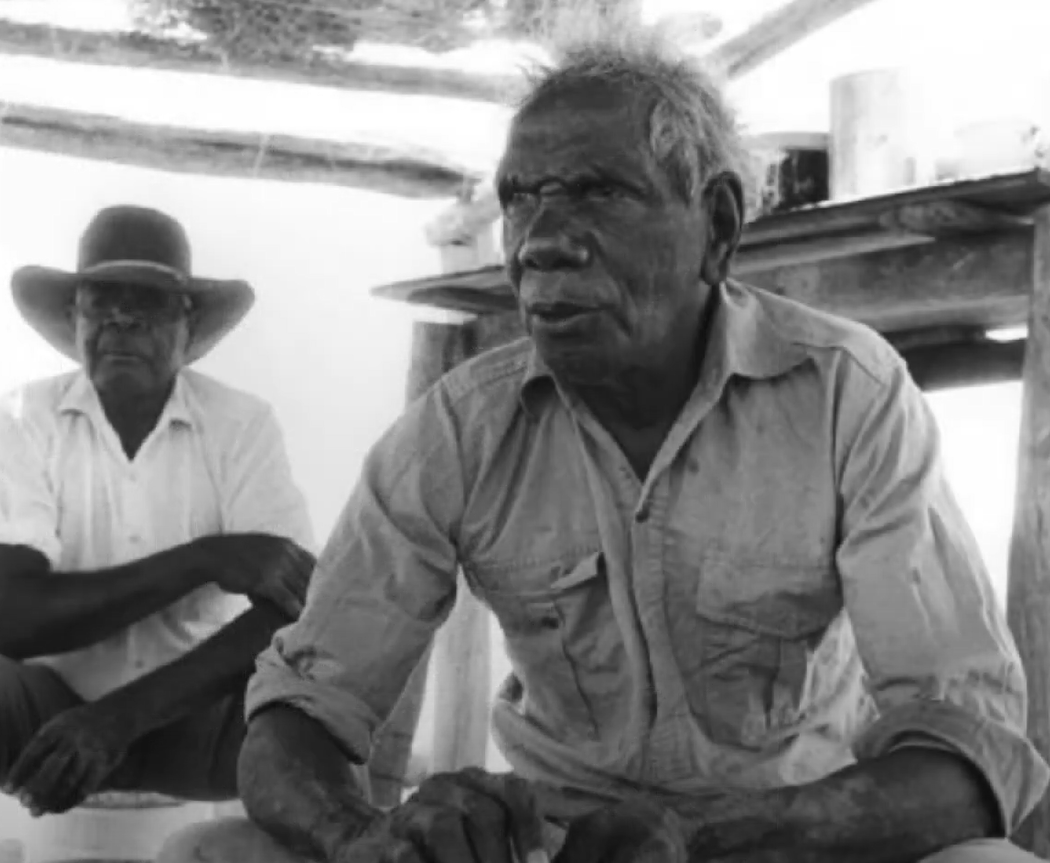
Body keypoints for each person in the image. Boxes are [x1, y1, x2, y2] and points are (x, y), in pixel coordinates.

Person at [159, 26, 1050, 863]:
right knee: (210, 853)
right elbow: (297, 714)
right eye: (521, 199)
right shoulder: (461, 427)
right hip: (552, 845)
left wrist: (700, 839)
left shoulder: (846, 393)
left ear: (719, 227)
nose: (540, 241)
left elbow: (966, 748)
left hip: (784, 841)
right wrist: (366, 837)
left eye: (596, 192)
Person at [0, 205, 318, 863]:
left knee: (326, 701)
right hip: (47, 723)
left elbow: (292, 606)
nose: (119, 320)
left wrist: (119, 719)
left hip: (196, 719)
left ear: (188, 321)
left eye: (145, 302)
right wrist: (203, 558)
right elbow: (7, 618)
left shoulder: (242, 424)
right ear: (75, 319)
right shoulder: (20, 417)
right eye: (99, 301)